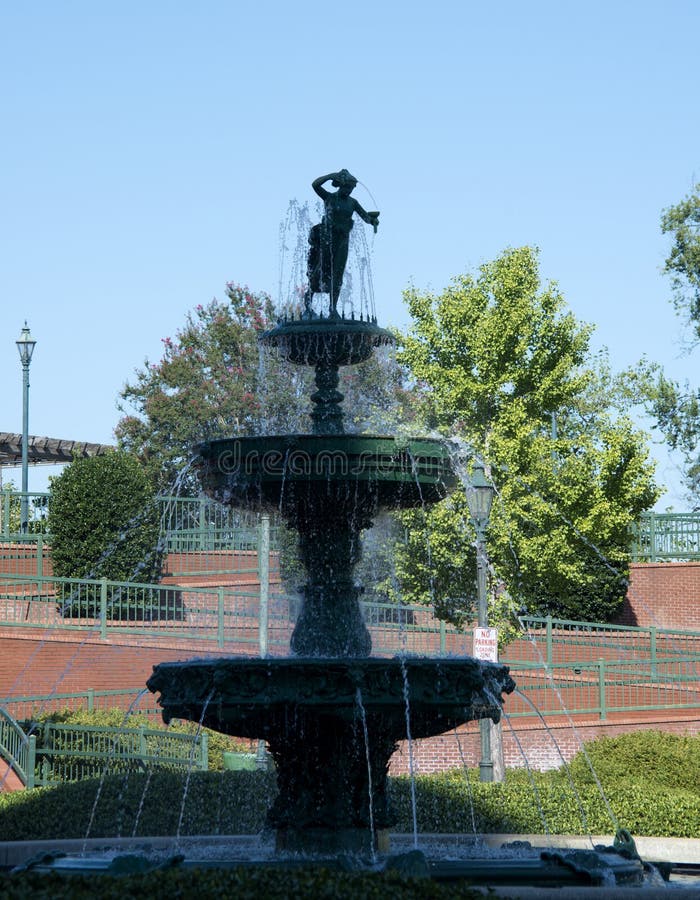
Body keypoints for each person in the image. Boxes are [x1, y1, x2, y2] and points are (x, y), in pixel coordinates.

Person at [303, 170, 379, 316]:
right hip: (327, 239)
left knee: (338, 274)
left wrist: (372, 221)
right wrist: (331, 175)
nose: (349, 191)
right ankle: (309, 300)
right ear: (341, 186)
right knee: (321, 269)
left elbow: (365, 216)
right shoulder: (329, 198)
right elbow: (315, 185)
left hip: (342, 241)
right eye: (348, 188)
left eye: (351, 189)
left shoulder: (352, 202)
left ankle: (333, 308)